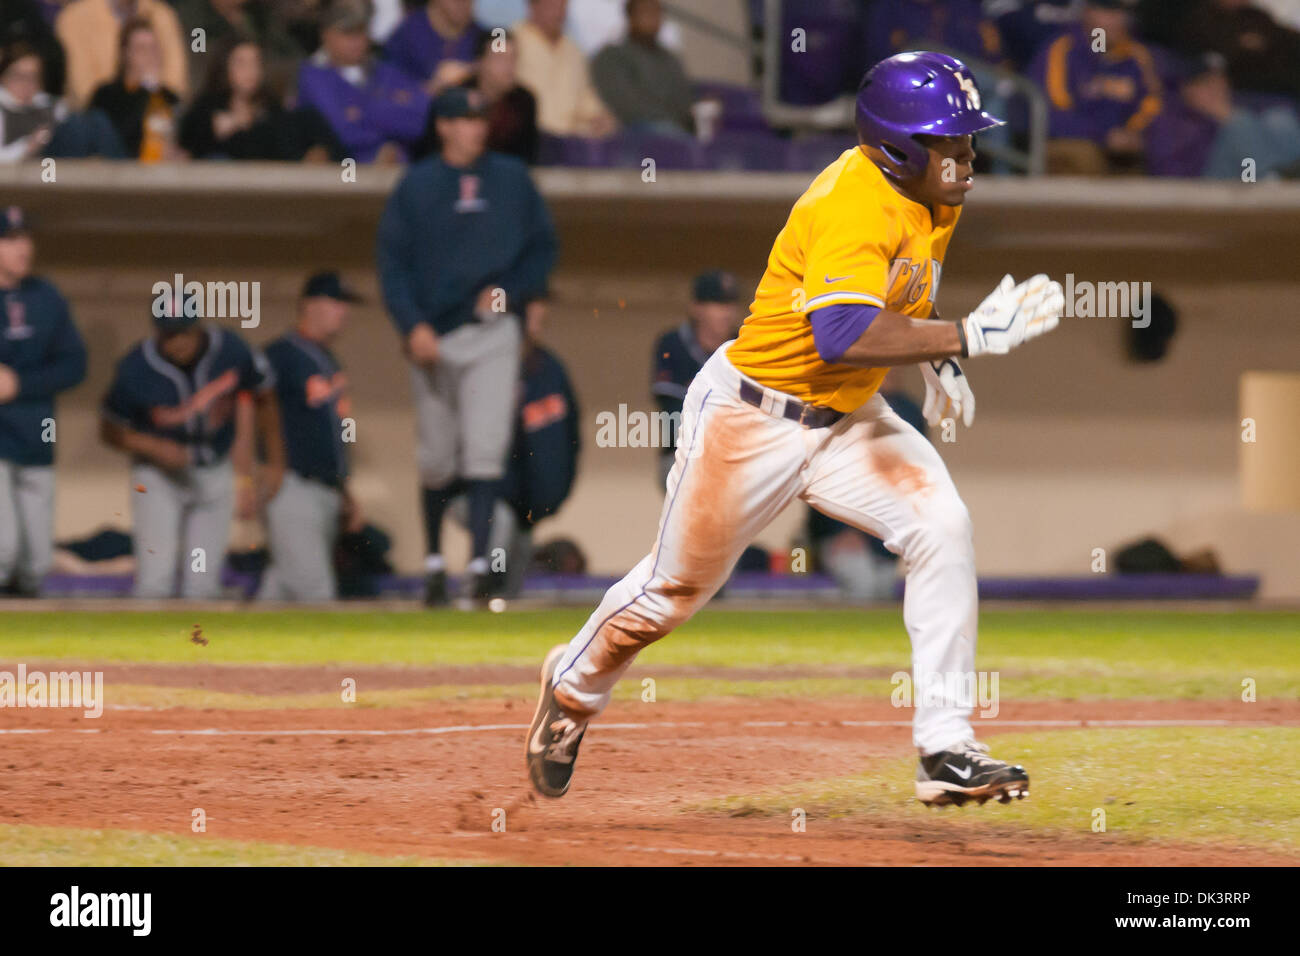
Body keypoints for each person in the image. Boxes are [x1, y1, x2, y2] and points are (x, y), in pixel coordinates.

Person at [527, 52, 1066, 807]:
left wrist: (938, 362)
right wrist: (964, 338)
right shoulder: (853, 199)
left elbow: (898, 295)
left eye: (968, 141)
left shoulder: (935, 195)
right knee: (669, 593)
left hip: (848, 415)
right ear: (899, 146)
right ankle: (575, 689)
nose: (969, 156)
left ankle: (945, 748)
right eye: (952, 142)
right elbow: (842, 333)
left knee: (943, 526)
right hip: (754, 417)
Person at [376, 85, 557, 605]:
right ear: (444, 126)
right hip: (431, 334)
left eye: (481, 119)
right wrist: (411, 326)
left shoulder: (512, 179)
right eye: (465, 119)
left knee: (484, 449)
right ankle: (435, 564)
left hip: (491, 331)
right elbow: (392, 265)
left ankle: (478, 566)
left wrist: (513, 292)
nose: (476, 128)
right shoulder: (418, 184)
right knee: (436, 455)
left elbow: (543, 249)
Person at [99, 292, 284, 598]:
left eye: (184, 331)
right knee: (155, 580)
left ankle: (197, 645)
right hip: (157, 478)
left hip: (213, 472)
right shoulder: (136, 366)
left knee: (202, 582)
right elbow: (109, 430)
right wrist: (153, 447)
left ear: (198, 326)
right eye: (169, 334)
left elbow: (264, 394)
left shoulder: (230, 350)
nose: (177, 343)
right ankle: (149, 646)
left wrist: (273, 463)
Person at [258, 272, 361, 603]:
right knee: (315, 591)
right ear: (308, 305)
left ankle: (232, 649)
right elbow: (251, 406)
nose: (343, 311)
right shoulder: (281, 354)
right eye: (335, 302)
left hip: (325, 489)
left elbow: (335, 433)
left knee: (282, 587)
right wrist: (265, 467)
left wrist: (344, 489)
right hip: (293, 486)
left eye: (345, 304)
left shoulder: (329, 361)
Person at [0, 207, 87, 596]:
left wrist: (19, 382)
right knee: (3, 550)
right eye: (11, 239)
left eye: (26, 238)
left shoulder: (46, 296)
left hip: (36, 436)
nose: (24, 247)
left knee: (36, 562)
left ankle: (26, 647)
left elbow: (75, 365)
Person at [1028, 0, 1162, 174]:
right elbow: (1053, 114)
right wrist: (1104, 135)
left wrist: (1132, 133)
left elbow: (1153, 103)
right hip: (1069, 141)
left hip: (1121, 146)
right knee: (1086, 156)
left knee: (1156, 157)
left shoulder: (1137, 55)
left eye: (1121, 13)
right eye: (1107, 12)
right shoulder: (1062, 49)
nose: (1116, 20)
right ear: (1087, 12)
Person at [296, 0, 430, 164]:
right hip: (342, 174)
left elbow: (420, 122)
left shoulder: (387, 72)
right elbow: (340, 132)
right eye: (347, 33)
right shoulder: (313, 76)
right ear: (326, 34)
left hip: (396, 175)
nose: (356, 41)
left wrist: (363, 111)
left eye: (361, 31)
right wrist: (390, 112)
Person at [179, 36, 340, 161]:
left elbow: (281, 150)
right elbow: (189, 145)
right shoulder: (207, 107)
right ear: (224, 67)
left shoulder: (271, 106)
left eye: (255, 63)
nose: (250, 71)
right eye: (241, 63)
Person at [650, 269, 741, 485]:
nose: (726, 312)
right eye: (717, 304)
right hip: (684, 452)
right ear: (696, 308)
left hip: (738, 452)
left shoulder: (745, 346)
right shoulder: (672, 345)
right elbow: (673, 415)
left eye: (730, 304)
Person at [411, 29, 540, 163]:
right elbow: (430, 151)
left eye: (513, 58)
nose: (509, 66)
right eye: (501, 59)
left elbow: (527, 158)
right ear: (480, 62)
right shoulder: (454, 96)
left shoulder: (525, 101)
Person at [0, 40, 125, 161]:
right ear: (3, 77)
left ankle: (122, 174)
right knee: (75, 125)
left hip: (60, 159)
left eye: (33, 77)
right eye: (19, 76)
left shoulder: (49, 104)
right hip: (34, 167)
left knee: (97, 119)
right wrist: (28, 146)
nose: (26, 84)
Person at [55, 0, 188, 107]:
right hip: (97, 125)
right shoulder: (73, 19)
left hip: (157, 118)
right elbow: (85, 92)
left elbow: (176, 84)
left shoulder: (163, 15)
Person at [590, 0, 693, 135]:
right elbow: (626, 106)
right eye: (646, 12)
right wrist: (667, 118)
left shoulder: (671, 59)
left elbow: (684, 102)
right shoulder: (612, 56)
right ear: (631, 17)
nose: (653, 19)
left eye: (657, 13)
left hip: (678, 131)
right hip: (633, 135)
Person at [513, 0, 614, 137]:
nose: (559, 13)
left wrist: (600, 117)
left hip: (572, 142)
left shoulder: (574, 51)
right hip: (528, 141)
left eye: (563, 6)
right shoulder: (512, 42)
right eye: (552, 5)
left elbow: (586, 97)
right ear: (533, 6)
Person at [87, 17, 182, 160]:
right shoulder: (106, 93)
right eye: (142, 49)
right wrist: (146, 90)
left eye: (154, 48)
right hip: (118, 169)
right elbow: (120, 137)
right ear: (126, 53)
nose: (150, 55)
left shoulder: (169, 96)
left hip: (160, 170)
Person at [383, 0, 485, 96]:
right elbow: (386, 96)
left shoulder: (482, 38)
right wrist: (434, 87)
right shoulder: (407, 35)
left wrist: (477, 69)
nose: (463, 2)